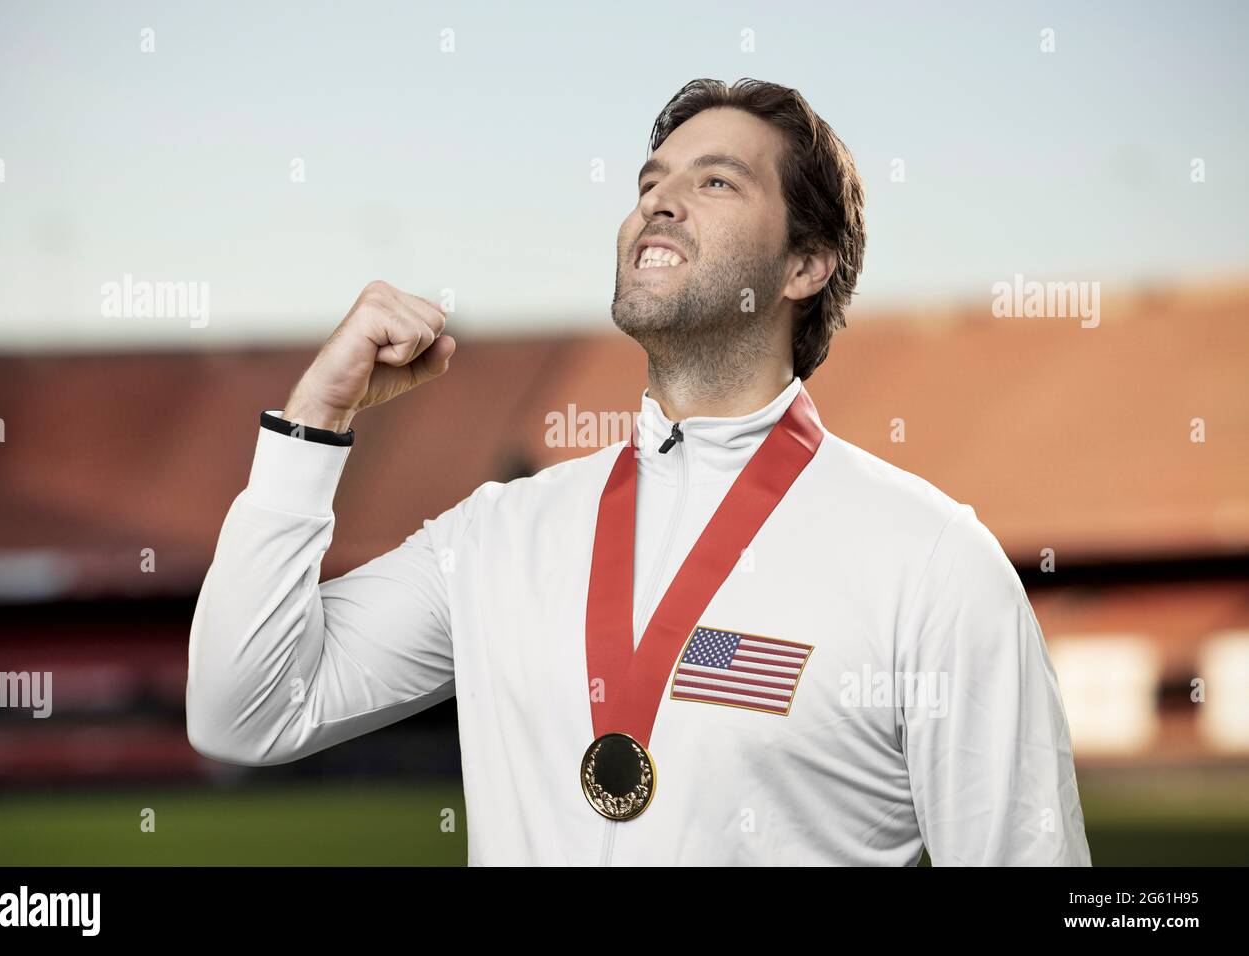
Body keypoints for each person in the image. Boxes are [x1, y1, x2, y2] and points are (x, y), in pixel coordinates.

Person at [186, 77, 1091, 866]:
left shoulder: (931, 560)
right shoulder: (501, 532)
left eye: (716, 182)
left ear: (806, 265)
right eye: (649, 184)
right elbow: (245, 712)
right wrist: (311, 423)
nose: (659, 202)